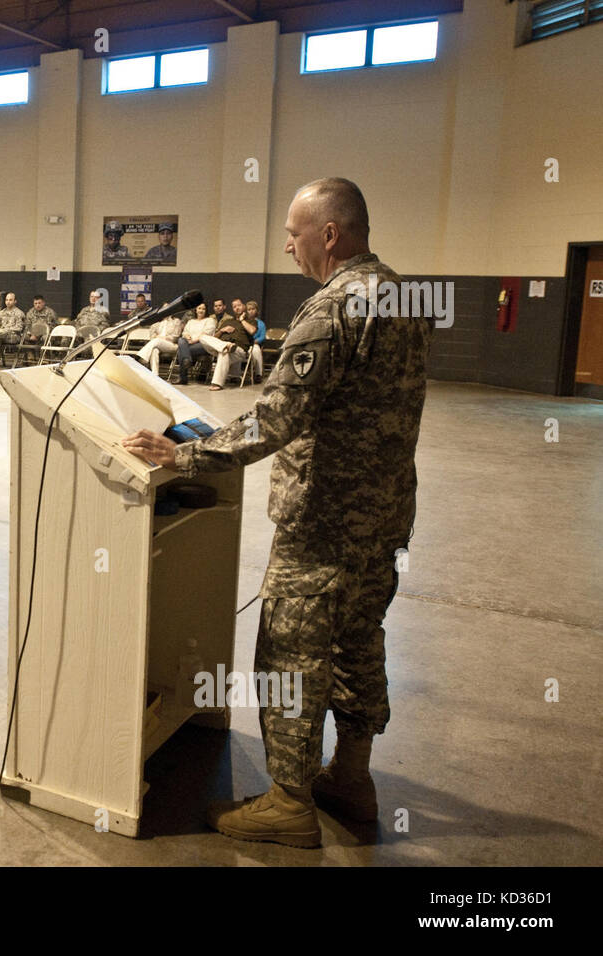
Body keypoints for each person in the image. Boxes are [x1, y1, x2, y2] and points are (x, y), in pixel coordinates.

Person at [121, 177, 431, 848]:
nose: (286, 245)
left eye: (294, 233)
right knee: (359, 641)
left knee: (290, 652)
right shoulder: (404, 296)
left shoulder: (332, 308)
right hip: (385, 517)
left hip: (325, 520)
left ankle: (291, 800)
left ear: (329, 234)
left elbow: (275, 419)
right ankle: (351, 777)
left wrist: (186, 457)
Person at [200, 297, 257, 390]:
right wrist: (222, 330)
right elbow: (215, 338)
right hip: (222, 346)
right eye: (234, 307)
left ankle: (217, 384)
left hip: (238, 350)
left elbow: (252, 331)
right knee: (203, 337)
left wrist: (242, 320)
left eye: (239, 305)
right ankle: (226, 346)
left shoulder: (250, 320)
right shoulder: (228, 321)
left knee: (224, 353)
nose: (237, 308)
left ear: (243, 306)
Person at [136, 304, 189, 375]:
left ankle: (141, 358)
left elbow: (175, 337)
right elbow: (152, 335)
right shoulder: (156, 322)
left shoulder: (176, 321)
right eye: (164, 309)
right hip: (157, 344)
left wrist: (162, 338)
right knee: (154, 350)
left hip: (171, 345)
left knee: (156, 341)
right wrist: (157, 337)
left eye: (168, 308)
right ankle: (155, 374)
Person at [175, 301, 219, 384]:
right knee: (181, 340)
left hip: (203, 345)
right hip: (190, 344)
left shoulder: (210, 320)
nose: (201, 310)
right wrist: (187, 336)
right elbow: (185, 332)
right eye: (199, 308)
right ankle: (187, 360)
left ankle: (183, 378)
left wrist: (193, 341)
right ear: (196, 310)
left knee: (182, 350)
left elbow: (206, 334)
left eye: (203, 309)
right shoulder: (191, 321)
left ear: (206, 310)